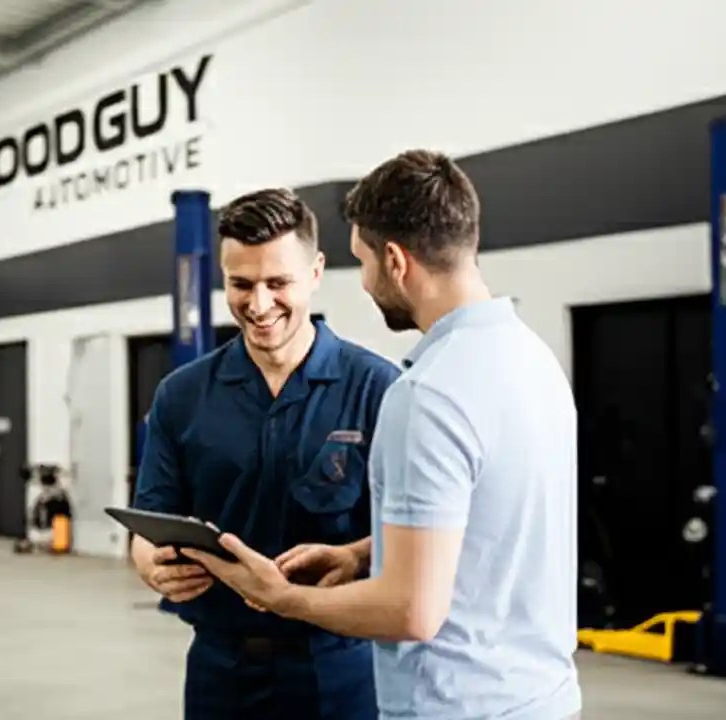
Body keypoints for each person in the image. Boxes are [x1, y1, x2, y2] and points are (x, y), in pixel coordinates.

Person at [185, 150, 583, 720]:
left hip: (456, 706)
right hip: (542, 699)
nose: (365, 282)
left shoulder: (427, 394)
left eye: (362, 261)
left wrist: (284, 597)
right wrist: (359, 554)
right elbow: (490, 525)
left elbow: (410, 610)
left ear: (394, 261)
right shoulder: (533, 360)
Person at [130, 187, 401, 719]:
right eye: (241, 284)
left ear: (316, 272)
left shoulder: (377, 388)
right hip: (221, 674)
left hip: (340, 669)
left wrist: (355, 556)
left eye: (278, 283)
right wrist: (150, 564)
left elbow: (415, 534)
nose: (258, 305)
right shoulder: (182, 395)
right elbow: (151, 518)